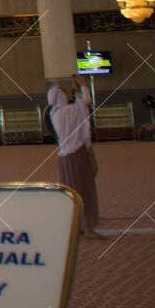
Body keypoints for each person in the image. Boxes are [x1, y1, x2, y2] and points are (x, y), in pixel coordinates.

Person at [47, 80, 103, 239]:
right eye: (67, 91)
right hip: (78, 155)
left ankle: (74, 226)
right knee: (86, 191)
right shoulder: (71, 111)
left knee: (70, 193)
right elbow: (86, 103)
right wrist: (83, 85)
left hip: (64, 158)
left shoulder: (54, 113)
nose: (70, 93)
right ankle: (89, 228)